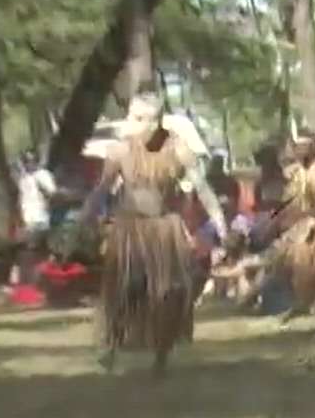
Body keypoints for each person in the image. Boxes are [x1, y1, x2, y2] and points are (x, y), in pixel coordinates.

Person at [77, 90, 228, 377]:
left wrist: (220, 221)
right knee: (124, 289)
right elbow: (102, 190)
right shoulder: (120, 150)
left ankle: (161, 357)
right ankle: (110, 346)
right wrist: (82, 220)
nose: (129, 123)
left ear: (155, 121)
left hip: (163, 230)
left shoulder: (178, 148)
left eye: (137, 118)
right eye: (131, 116)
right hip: (130, 229)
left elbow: (202, 188)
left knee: (171, 291)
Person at [285, 130, 315, 214]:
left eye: (304, 146)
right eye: (298, 146)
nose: (300, 150)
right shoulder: (292, 172)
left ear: (312, 147)